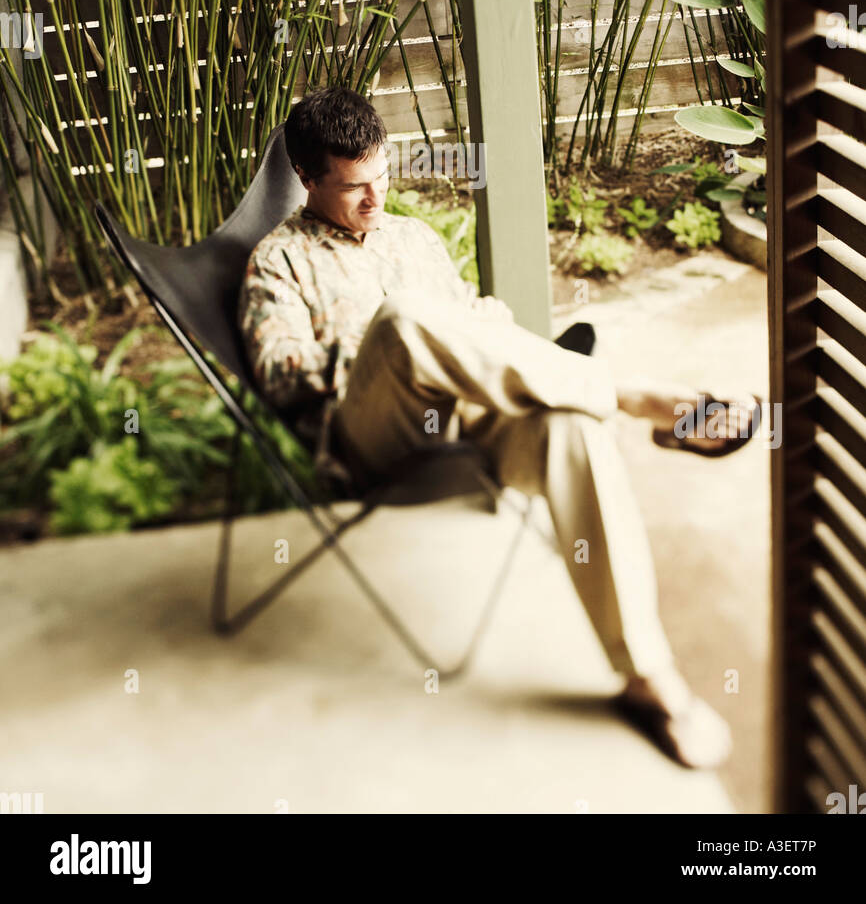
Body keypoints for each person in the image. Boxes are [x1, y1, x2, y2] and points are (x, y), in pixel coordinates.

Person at [238, 87, 759, 770]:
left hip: (471, 425)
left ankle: (647, 675)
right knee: (401, 321)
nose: (376, 200)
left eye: (384, 177)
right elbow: (279, 372)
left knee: (572, 427)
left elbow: (475, 321)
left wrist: (473, 336)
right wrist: (382, 349)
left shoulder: (413, 239)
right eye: (355, 187)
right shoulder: (279, 259)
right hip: (375, 435)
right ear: (307, 179)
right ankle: (635, 397)